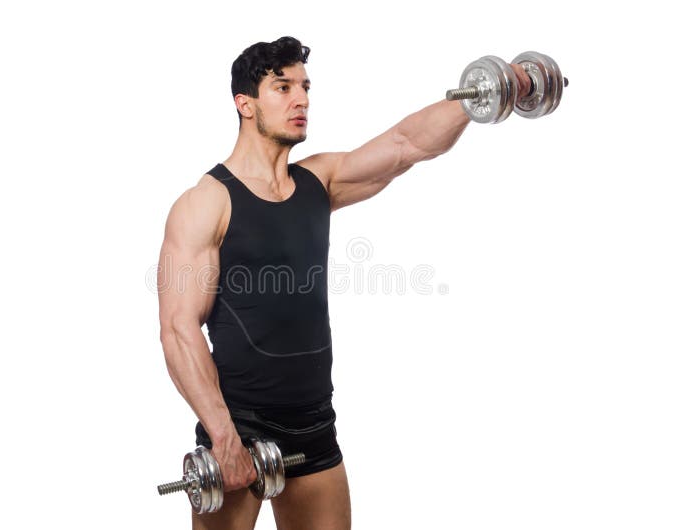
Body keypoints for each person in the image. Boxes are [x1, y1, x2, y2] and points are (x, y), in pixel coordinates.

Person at [157, 36, 533, 530]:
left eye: (306, 87)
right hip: (238, 423)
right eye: (283, 86)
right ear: (244, 103)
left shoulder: (320, 180)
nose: (302, 99)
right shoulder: (206, 202)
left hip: (314, 420)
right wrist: (223, 438)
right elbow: (179, 330)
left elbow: (406, 145)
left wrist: (485, 93)